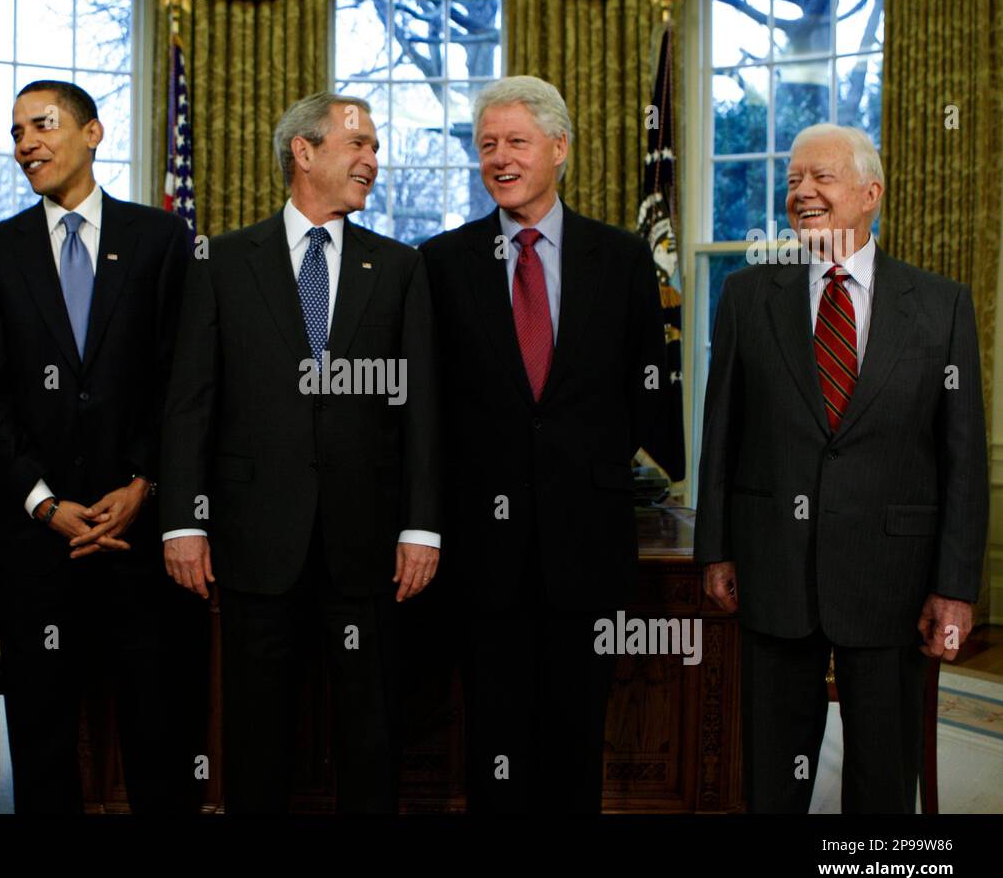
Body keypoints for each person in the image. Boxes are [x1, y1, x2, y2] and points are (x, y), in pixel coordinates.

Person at [161, 91, 441, 813]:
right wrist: (183, 523)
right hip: (255, 540)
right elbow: (191, 402)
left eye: (376, 147)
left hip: (369, 545)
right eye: (359, 145)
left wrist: (421, 525)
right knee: (256, 738)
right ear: (304, 151)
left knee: (369, 735)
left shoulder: (400, 267)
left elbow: (422, 409)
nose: (373, 161)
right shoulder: (220, 261)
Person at [694, 123, 987, 813]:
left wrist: (956, 586)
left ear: (869, 193)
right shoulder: (747, 296)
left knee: (883, 779)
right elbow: (721, 436)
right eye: (794, 180)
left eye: (821, 178)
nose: (802, 193)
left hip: (894, 581)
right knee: (773, 774)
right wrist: (716, 550)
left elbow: (964, 455)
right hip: (774, 574)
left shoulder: (940, 306)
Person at [419, 75, 668, 813]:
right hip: (481, 553)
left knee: (576, 733)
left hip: (586, 546)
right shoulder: (441, 262)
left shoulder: (621, 258)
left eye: (516, 142)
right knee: (492, 738)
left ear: (559, 148)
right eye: (486, 144)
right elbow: (427, 405)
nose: (499, 157)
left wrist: (597, 469)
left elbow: (646, 386)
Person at [0, 80, 205, 813]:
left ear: (93, 134)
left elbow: (180, 380)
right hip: (38, 546)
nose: (26, 143)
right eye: (15, 132)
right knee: (41, 738)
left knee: (156, 732)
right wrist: (42, 502)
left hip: (140, 539)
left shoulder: (160, 239)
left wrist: (144, 484)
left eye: (42, 125)